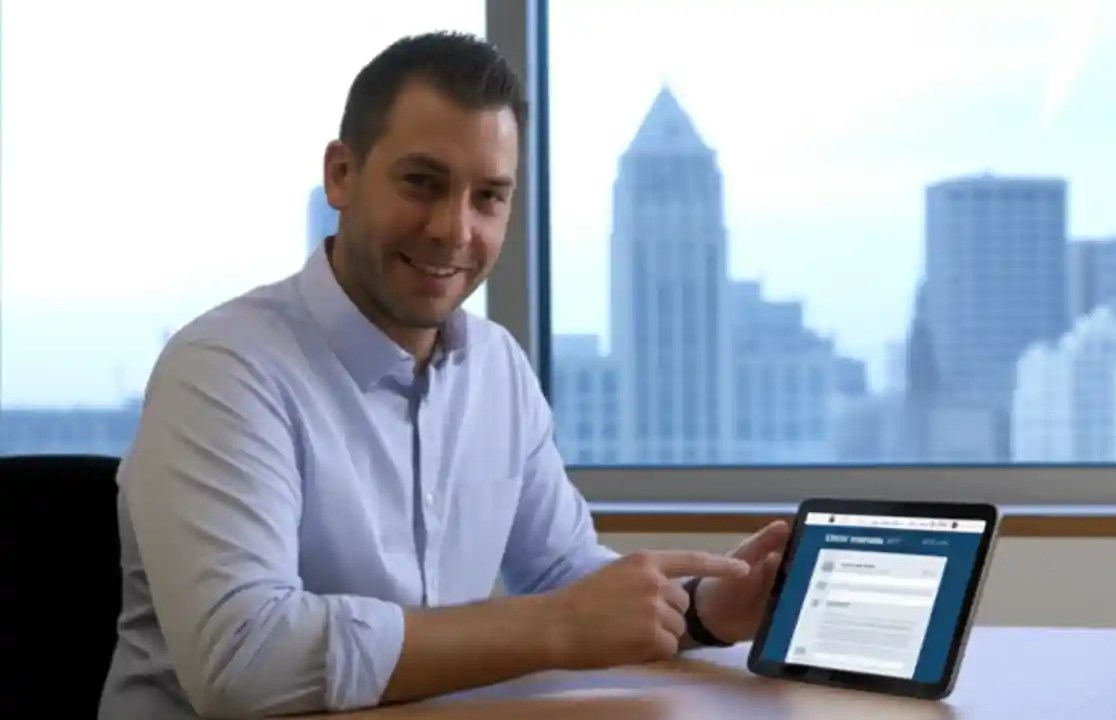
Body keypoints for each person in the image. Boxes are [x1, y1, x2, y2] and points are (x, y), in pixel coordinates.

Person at [97, 31, 788, 719]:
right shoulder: (225, 369)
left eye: (488, 196)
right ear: (341, 174)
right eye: (422, 183)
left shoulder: (496, 368)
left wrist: (703, 610)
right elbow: (242, 660)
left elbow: (561, 574)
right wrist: (553, 628)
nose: (454, 230)